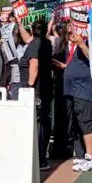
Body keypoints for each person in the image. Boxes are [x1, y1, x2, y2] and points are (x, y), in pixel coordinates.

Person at [62, 20, 92, 172]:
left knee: (87, 122)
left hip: (87, 89)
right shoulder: (87, 39)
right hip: (79, 89)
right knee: (85, 123)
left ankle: (90, 158)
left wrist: (81, 44)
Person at [20, 18, 54, 171]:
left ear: (33, 31)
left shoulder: (35, 44)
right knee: (43, 121)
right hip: (45, 88)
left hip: (36, 90)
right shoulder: (46, 43)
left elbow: (34, 64)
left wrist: (29, 87)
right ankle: (41, 157)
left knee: (37, 122)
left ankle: (39, 158)